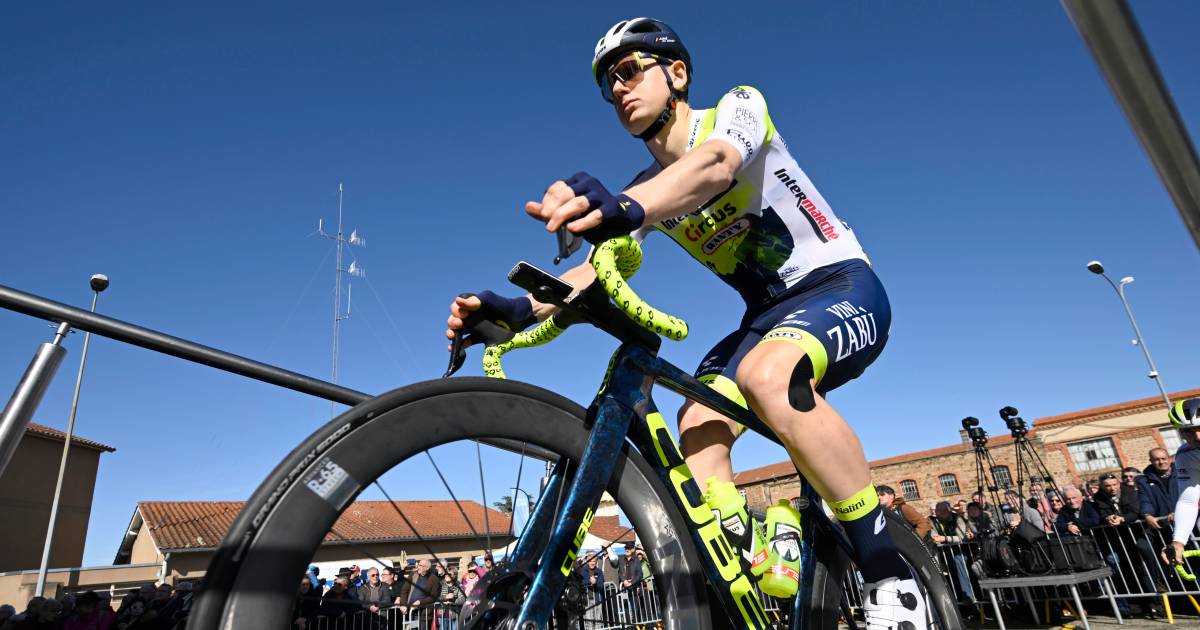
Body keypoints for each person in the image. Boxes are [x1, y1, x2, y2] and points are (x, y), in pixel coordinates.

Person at [446, 16, 923, 628]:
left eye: (628, 71)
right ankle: (763, 544)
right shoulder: (649, 187)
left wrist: (627, 206)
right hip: (767, 316)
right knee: (696, 423)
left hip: (840, 285)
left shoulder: (737, 109)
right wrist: (514, 311)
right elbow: (598, 267)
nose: (618, 90)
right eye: (606, 85)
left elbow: (717, 167)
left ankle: (891, 575)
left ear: (675, 73)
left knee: (768, 373)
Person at [1162, 400, 1200, 571]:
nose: (1197, 436)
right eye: (1189, 431)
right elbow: (1188, 500)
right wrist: (1178, 542)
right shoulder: (1186, 454)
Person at [1138, 447, 1176, 532]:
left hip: (1191, 520)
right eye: (1156, 459)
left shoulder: (1182, 474)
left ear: (1169, 459)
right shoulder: (1144, 481)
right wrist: (1147, 515)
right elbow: (1145, 501)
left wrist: (1179, 511)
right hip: (1166, 526)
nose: (1161, 462)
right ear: (1151, 461)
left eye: (1164, 458)